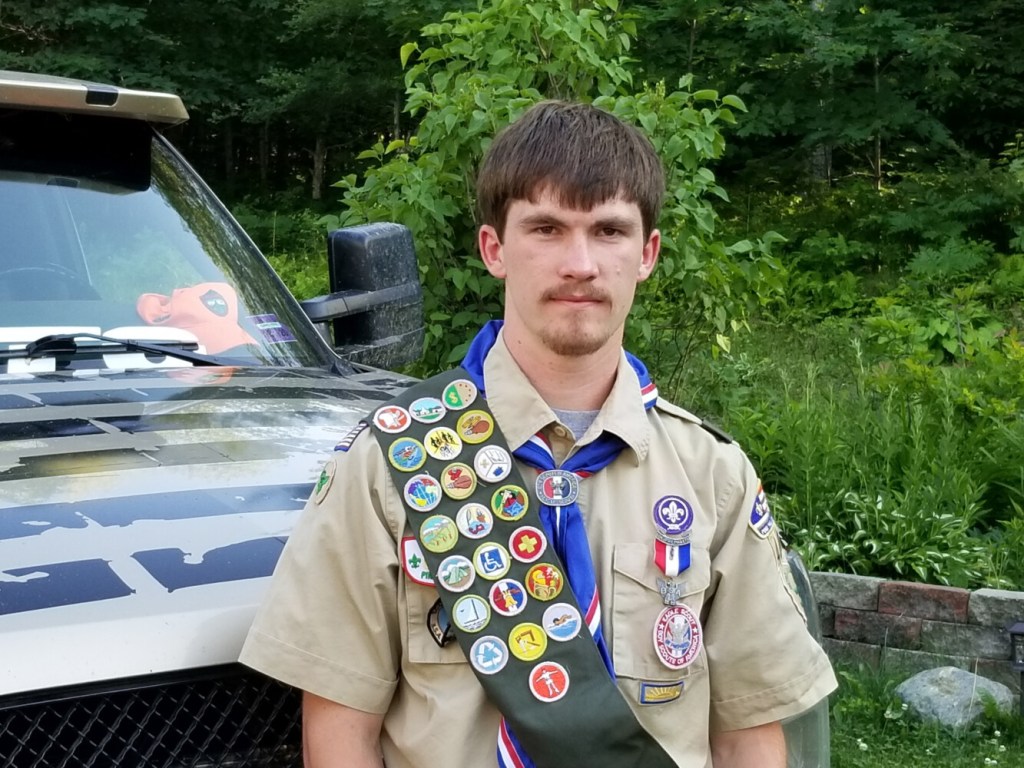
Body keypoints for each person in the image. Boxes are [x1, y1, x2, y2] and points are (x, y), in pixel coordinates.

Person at [240, 100, 837, 768]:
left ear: (647, 254)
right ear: (494, 249)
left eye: (609, 231)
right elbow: (339, 734)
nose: (580, 263)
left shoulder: (711, 474)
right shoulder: (391, 462)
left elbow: (748, 732)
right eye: (547, 229)